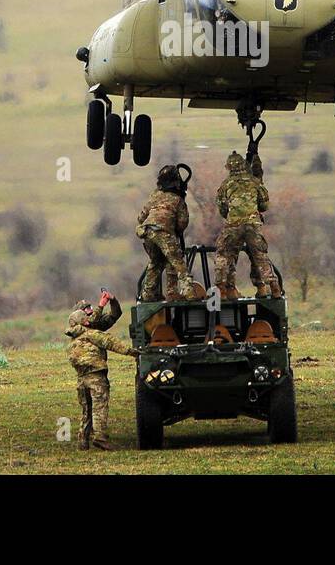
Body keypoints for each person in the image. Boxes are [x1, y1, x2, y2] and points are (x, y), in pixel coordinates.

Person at [65, 290, 139, 450]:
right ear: (83, 320)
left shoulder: (72, 340)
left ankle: (82, 442)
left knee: (86, 410)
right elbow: (110, 342)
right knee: (99, 407)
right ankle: (100, 438)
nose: (90, 312)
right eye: (86, 311)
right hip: (96, 376)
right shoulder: (91, 333)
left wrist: (110, 301)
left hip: (81, 378)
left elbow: (113, 315)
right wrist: (133, 352)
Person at [214, 152, 281, 300]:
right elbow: (264, 205)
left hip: (233, 225)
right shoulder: (255, 182)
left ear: (229, 167)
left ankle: (224, 290)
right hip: (253, 225)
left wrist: (234, 215)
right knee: (260, 257)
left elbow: (222, 209)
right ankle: (273, 287)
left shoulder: (226, 184)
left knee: (225, 254)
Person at [137, 165, 200, 301]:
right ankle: (188, 292)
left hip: (147, 232)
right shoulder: (177, 200)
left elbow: (141, 217)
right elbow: (182, 223)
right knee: (177, 261)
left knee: (156, 262)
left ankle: (148, 294)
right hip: (163, 233)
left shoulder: (154, 196)